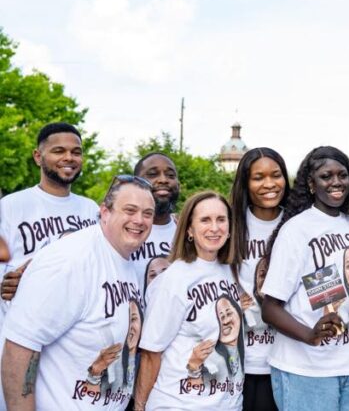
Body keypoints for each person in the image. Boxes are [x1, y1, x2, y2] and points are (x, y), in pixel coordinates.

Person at [0, 175, 152, 410]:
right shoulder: (71, 260)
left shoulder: (125, 259)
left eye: (147, 213)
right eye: (130, 210)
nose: (139, 220)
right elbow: (19, 346)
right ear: (105, 212)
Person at [260, 146, 349, 411]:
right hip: (305, 370)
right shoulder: (296, 229)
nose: (336, 182)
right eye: (326, 176)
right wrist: (310, 335)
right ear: (311, 183)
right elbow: (269, 309)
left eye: (342, 175)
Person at [135, 191, 244, 411]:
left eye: (221, 219)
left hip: (228, 404)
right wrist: (139, 406)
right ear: (189, 230)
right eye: (205, 220)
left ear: (230, 228)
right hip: (180, 404)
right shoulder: (175, 278)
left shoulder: (231, 272)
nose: (215, 228)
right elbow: (150, 353)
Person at [0, 123, 99, 309]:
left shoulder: (91, 209)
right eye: (59, 151)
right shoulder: (11, 205)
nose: (69, 158)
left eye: (76, 152)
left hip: (77, 326)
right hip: (23, 327)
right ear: (38, 157)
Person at [229, 147, 290, 411]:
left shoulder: (296, 223)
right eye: (258, 177)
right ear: (245, 182)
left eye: (276, 175)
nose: (269, 184)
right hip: (238, 360)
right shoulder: (230, 224)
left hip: (286, 358)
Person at [130, 153, 180, 283]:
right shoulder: (121, 231)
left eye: (170, 175)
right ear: (135, 183)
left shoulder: (188, 233)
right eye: (152, 174)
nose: (163, 180)